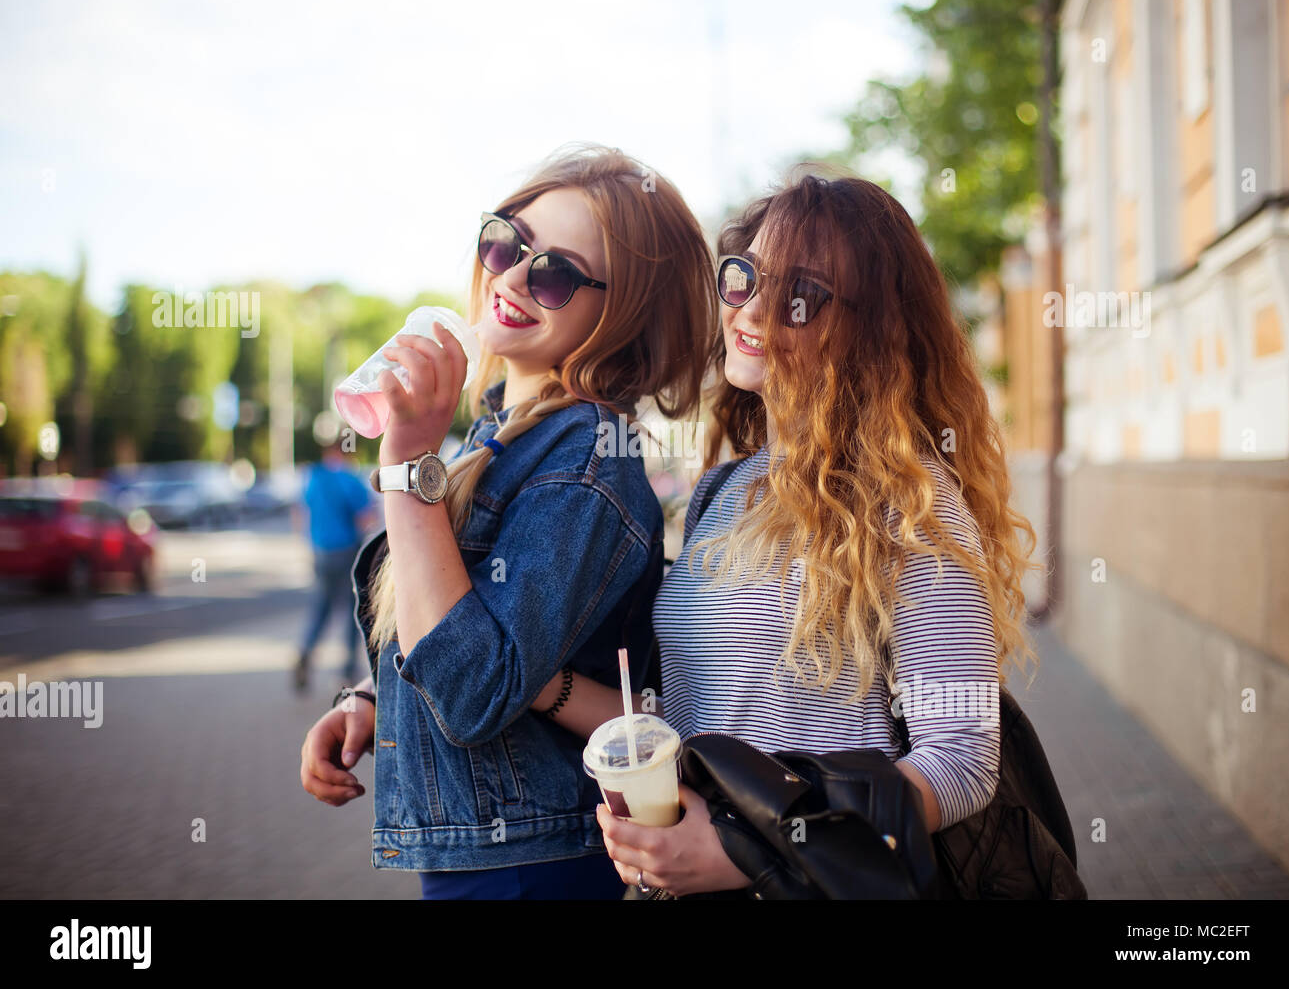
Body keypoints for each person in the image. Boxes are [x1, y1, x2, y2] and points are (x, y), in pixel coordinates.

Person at [533, 167, 1039, 897]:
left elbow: (961, 758)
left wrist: (748, 849)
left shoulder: (908, 505)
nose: (755, 309)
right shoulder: (721, 489)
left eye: (801, 295)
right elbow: (707, 705)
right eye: (747, 278)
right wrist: (515, 676)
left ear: (873, 326)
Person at [297, 145, 714, 899]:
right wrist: (369, 697)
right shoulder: (502, 432)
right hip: (489, 858)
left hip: (531, 868)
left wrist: (407, 463)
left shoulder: (586, 456)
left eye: (554, 271)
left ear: (620, 315)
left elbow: (475, 689)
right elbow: (465, 624)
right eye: (506, 241)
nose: (514, 275)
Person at [292, 438, 376, 692]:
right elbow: (366, 517)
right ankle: (348, 673)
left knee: (321, 607)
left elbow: (300, 514)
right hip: (347, 552)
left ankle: (305, 650)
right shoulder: (349, 479)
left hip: (320, 553)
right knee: (353, 611)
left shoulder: (313, 478)